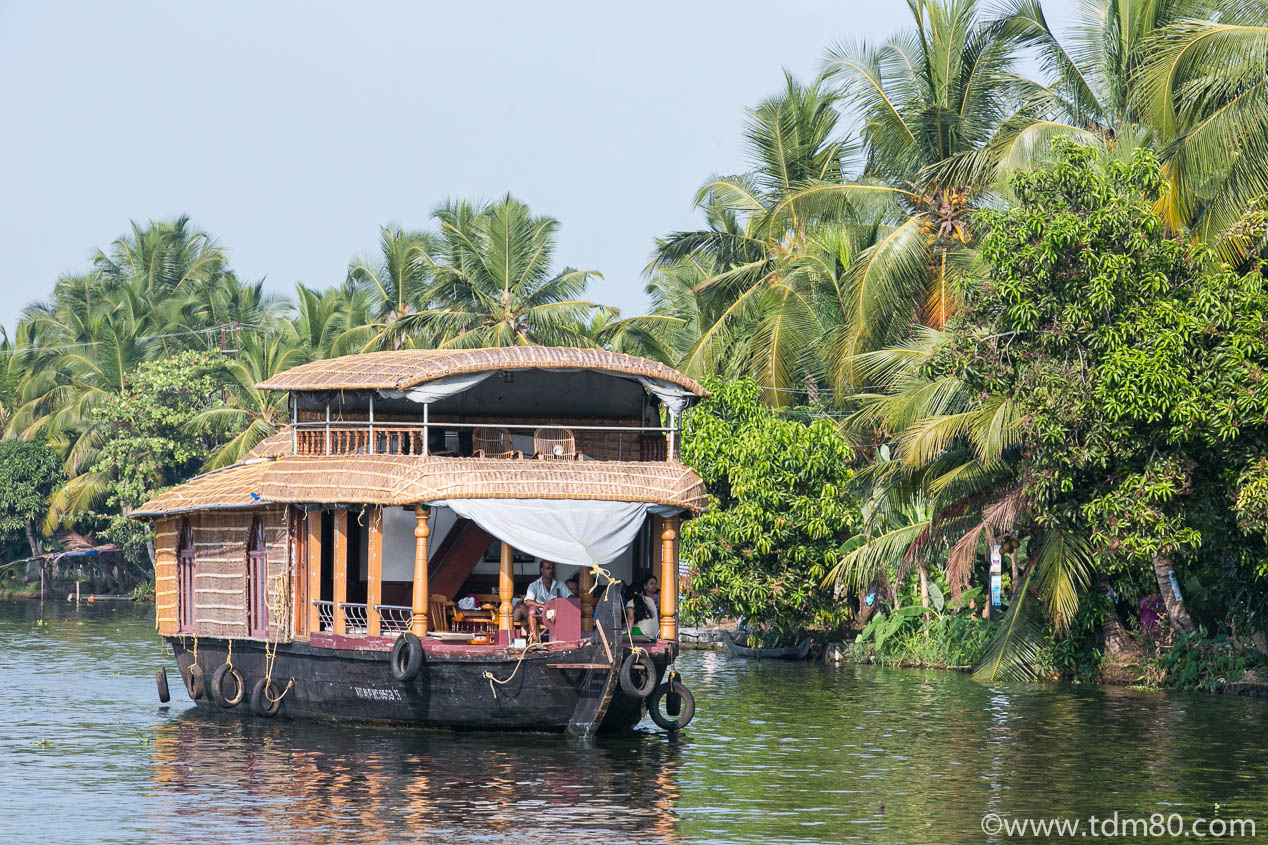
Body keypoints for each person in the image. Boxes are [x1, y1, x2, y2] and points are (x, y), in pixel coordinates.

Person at [513, 560, 568, 641]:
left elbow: (570, 597)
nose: (551, 571)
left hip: (557, 615)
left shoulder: (560, 584)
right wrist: (544, 606)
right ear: (542, 570)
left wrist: (561, 602)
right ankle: (535, 639)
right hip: (540, 616)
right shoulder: (534, 585)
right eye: (548, 568)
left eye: (552, 568)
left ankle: (563, 640)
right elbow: (528, 602)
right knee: (532, 610)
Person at [624, 575, 660, 639]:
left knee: (620, 636)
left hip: (644, 633)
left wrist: (628, 635)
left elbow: (630, 618)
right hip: (655, 633)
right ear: (643, 591)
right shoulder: (650, 600)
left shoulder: (631, 602)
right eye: (652, 583)